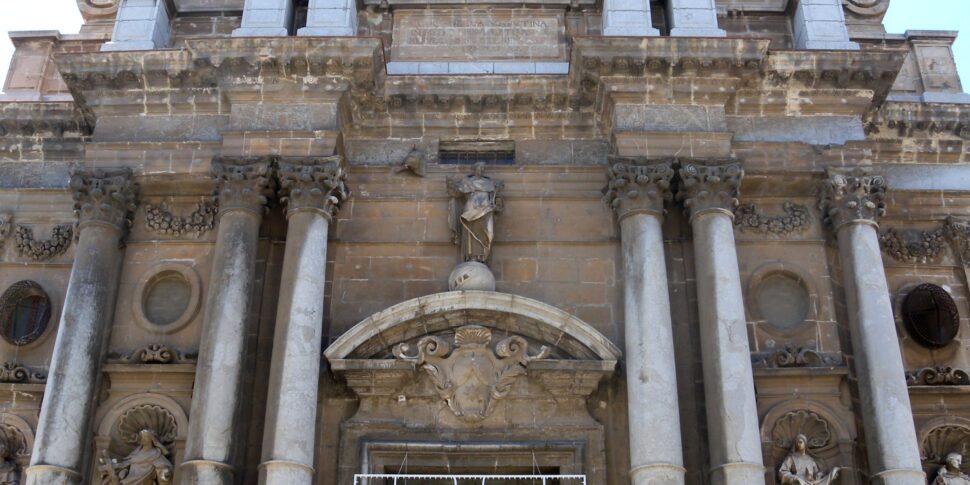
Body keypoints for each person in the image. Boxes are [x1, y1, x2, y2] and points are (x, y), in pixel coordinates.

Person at [447, 163, 503, 263]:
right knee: (470, 232)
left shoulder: (489, 182)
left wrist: (497, 203)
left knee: (489, 233)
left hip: (486, 210)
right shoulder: (467, 182)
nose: (481, 169)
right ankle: (472, 256)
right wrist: (450, 185)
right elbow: (457, 193)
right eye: (479, 167)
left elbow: (494, 196)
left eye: (483, 168)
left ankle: (484, 255)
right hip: (471, 209)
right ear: (474, 169)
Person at [99, 429, 173, 485]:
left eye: (146, 437)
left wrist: (165, 473)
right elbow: (126, 464)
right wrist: (114, 466)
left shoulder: (155, 454)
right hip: (130, 480)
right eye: (142, 437)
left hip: (145, 481)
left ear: (152, 439)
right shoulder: (135, 453)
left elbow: (163, 467)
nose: (143, 439)